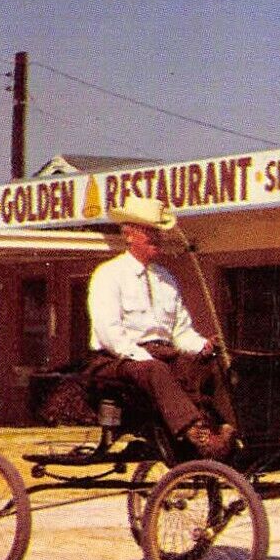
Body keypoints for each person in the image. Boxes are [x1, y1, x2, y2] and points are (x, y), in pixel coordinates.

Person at [86, 195, 237, 459]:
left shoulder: (166, 279)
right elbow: (109, 333)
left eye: (158, 233)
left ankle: (228, 430)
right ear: (129, 234)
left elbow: (181, 331)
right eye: (149, 232)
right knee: (155, 370)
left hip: (161, 356)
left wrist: (201, 345)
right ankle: (196, 433)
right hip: (117, 359)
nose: (157, 238)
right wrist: (146, 358)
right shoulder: (109, 275)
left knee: (215, 364)